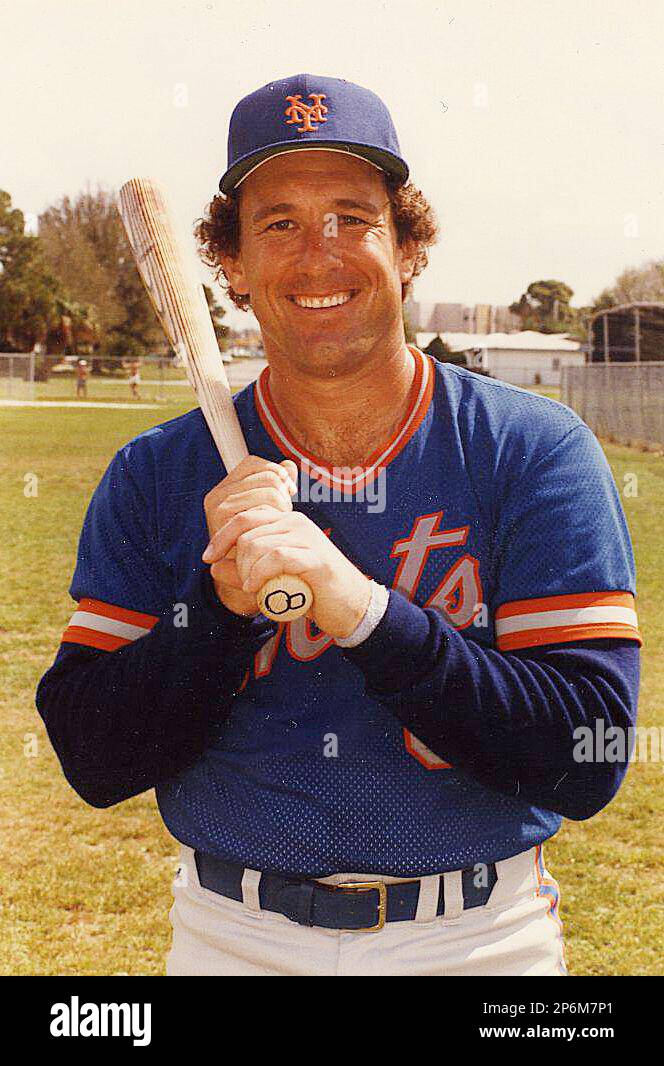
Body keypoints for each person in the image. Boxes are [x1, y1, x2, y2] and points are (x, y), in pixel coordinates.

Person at [37, 74, 641, 977]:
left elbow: (584, 756)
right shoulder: (159, 473)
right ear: (231, 266)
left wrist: (361, 610)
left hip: (478, 942)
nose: (319, 256)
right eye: (278, 224)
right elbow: (93, 756)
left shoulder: (531, 450)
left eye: (353, 218)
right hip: (233, 937)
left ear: (407, 248)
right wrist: (219, 609)